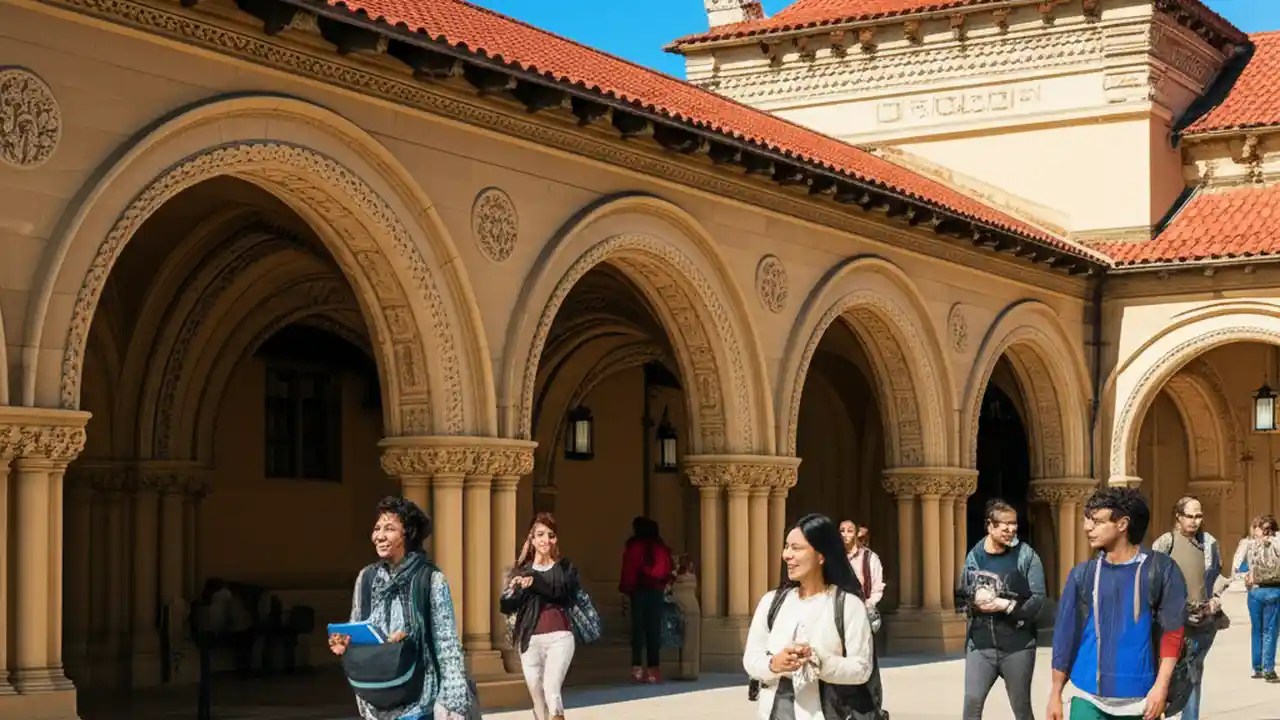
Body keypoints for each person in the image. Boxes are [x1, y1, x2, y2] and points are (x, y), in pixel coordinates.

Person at [1047, 487, 1188, 720]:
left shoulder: (1161, 570)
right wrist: (1055, 693)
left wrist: (1161, 687)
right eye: (1087, 520)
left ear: (1122, 524)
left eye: (1097, 521)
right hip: (1086, 696)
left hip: (1141, 700)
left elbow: (1172, 633)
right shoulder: (1083, 575)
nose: (1087, 527)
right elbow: (1064, 637)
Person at [329, 497, 472, 720]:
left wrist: (453, 700)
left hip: (419, 697)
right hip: (376, 698)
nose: (379, 536)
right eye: (377, 528)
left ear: (408, 533)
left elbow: (447, 643)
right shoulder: (366, 578)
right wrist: (344, 643)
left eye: (389, 528)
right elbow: (357, 627)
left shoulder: (430, 579)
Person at [743, 513, 874, 720]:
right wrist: (775, 664)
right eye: (786, 547)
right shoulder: (772, 602)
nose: (786, 555)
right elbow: (751, 659)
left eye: (796, 548)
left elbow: (862, 668)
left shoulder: (848, 605)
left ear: (821, 555)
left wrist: (819, 662)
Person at [955, 499, 1046, 720]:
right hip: (981, 645)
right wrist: (975, 600)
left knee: (1021, 708)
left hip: (1018, 646)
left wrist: (1006, 605)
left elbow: (1038, 599)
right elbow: (962, 593)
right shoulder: (975, 556)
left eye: (1014, 524)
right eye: (1004, 524)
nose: (1010, 529)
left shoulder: (1027, 555)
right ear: (990, 525)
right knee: (972, 704)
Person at [1150, 496, 1227, 719]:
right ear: (1178, 517)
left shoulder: (1209, 543)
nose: (1194, 521)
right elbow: (1153, 580)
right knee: (1165, 676)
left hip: (1203, 623)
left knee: (1193, 675)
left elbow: (1215, 577)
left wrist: (1215, 597)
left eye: (1198, 516)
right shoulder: (1166, 542)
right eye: (1190, 516)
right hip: (1172, 623)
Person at [501, 513, 581, 720]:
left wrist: (534, 581)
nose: (545, 540)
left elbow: (561, 593)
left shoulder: (565, 568)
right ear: (532, 539)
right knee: (537, 697)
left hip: (560, 637)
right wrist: (515, 589)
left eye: (551, 535)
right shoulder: (521, 570)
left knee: (551, 689)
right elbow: (506, 606)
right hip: (530, 639)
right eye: (540, 535)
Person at [619, 517, 674, 683]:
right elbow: (666, 569)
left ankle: (637, 668)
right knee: (653, 630)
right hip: (656, 591)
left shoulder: (634, 547)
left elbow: (628, 568)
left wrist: (626, 588)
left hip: (638, 591)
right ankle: (653, 669)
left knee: (638, 630)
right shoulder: (660, 547)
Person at [1234, 514, 1280, 682]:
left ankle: (1257, 667)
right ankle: (1268, 668)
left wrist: (1246, 578)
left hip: (1256, 591)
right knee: (1270, 631)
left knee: (1258, 630)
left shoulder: (1248, 544)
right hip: (1274, 589)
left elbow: (1236, 569)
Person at [840, 520, 885, 620]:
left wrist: (867, 606)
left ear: (857, 533)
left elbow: (877, 586)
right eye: (842, 531)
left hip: (862, 612)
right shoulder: (834, 558)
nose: (845, 534)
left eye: (850, 531)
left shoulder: (870, 558)